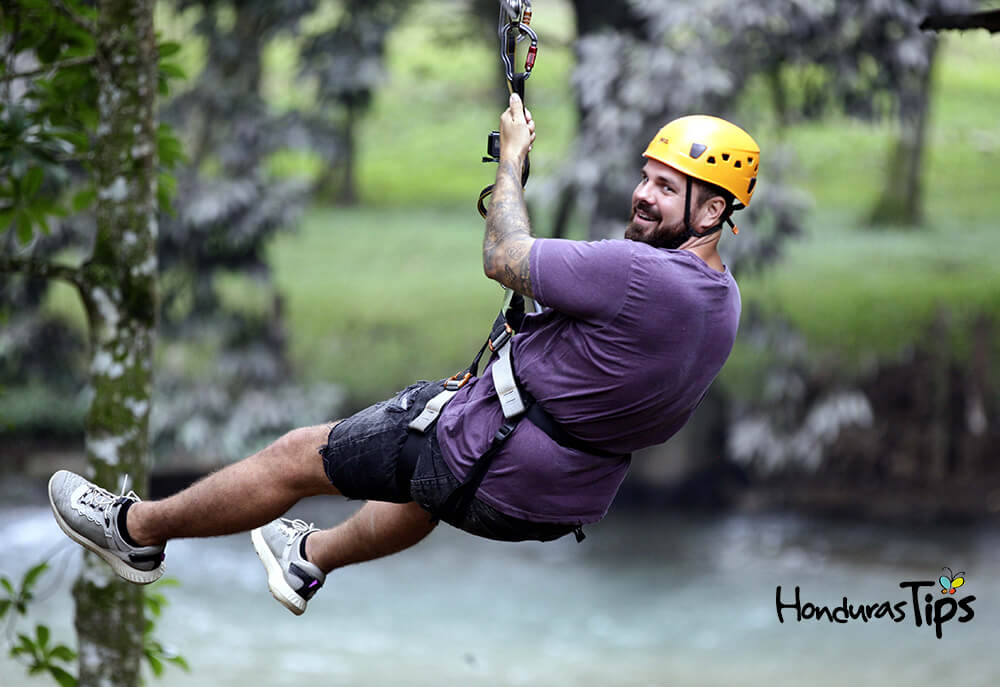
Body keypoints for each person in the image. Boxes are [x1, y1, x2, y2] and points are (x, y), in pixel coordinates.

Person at [48, 94, 760, 615]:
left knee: (303, 454)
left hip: (487, 458)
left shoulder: (638, 273)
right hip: (551, 500)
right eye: (646, 177)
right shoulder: (721, 303)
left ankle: (133, 532)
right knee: (426, 472)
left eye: (667, 188)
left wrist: (510, 163)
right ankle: (308, 559)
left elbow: (505, 255)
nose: (642, 195)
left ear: (713, 212)